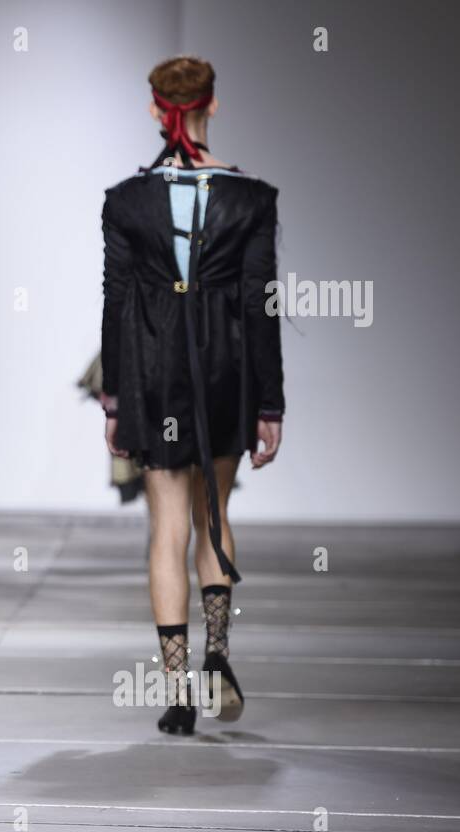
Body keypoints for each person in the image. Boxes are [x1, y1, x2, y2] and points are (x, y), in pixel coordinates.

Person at [98, 56, 283, 734]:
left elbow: (117, 301)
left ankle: (176, 691)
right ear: (213, 104)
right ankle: (219, 658)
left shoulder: (126, 201)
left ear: (155, 109)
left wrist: (115, 398)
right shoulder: (252, 198)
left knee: (167, 526)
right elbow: (262, 305)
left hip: (153, 372)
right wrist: (271, 404)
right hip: (225, 373)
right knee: (214, 512)